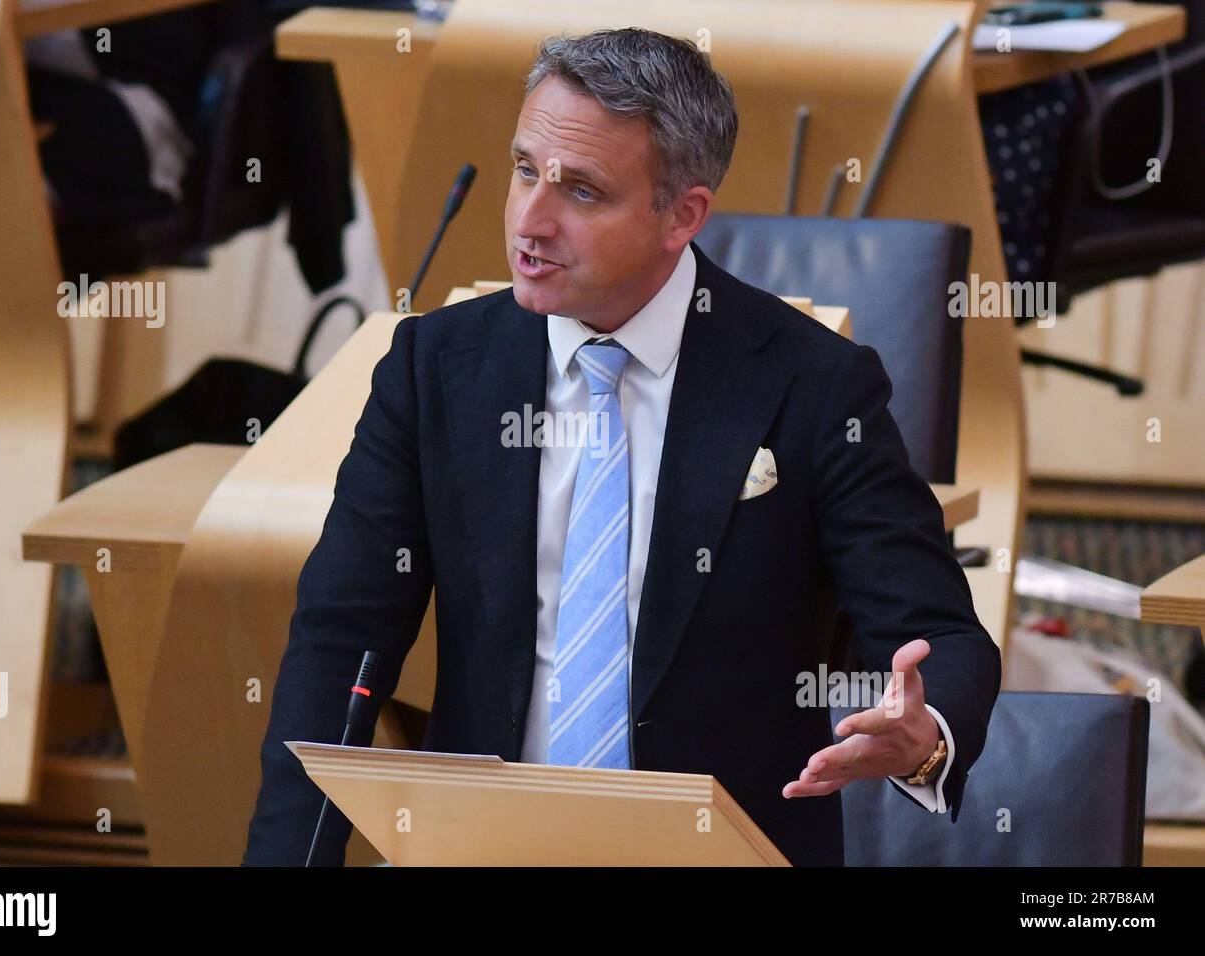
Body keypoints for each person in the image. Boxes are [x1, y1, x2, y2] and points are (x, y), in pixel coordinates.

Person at [244, 27, 1000, 867]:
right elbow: (339, 642)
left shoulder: (814, 384)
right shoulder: (436, 371)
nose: (532, 218)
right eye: (525, 169)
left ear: (684, 215)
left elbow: (941, 635)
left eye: (582, 192)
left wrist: (924, 735)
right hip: (479, 849)